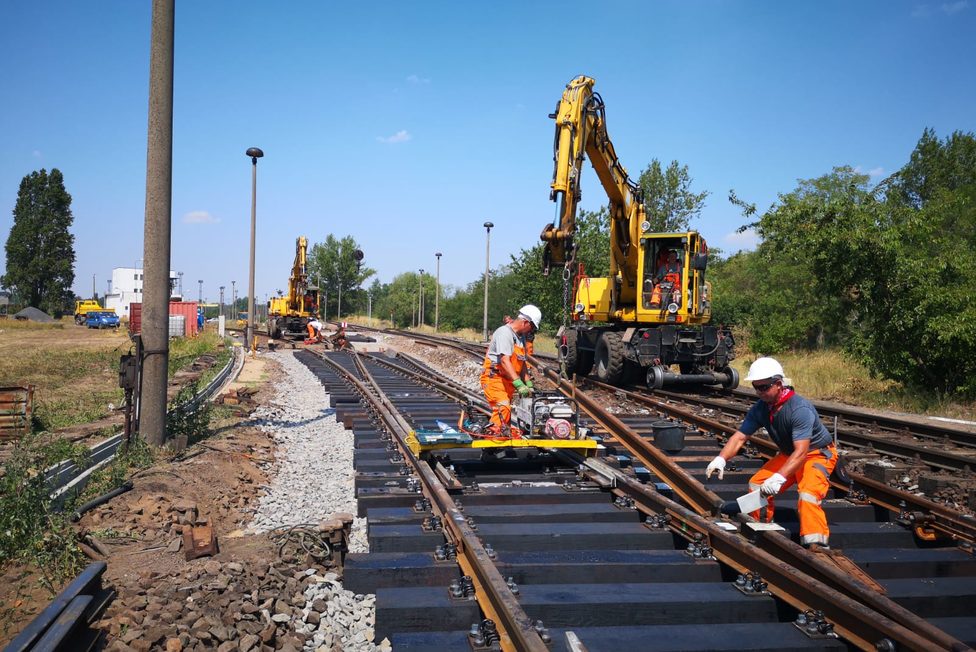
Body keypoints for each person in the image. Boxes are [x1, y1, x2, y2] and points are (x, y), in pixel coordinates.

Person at [705, 357, 837, 547]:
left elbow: (801, 452)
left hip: (816, 454)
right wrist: (721, 459)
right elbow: (740, 437)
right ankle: (761, 526)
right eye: (756, 388)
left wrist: (779, 477)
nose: (760, 392)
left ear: (778, 384)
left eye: (764, 387)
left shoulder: (799, 409)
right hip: (789, 454)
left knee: (808, 493)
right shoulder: (761, 409)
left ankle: (816, 543)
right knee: (757, 484)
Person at [479, 305, 541, 435]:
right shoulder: (504, 333)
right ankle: (492, 440)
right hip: (494, 378)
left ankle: (501, 442)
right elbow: (504, 360)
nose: (532, 331)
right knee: (503, 408)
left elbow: (522, 364)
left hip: (508, 381)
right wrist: (519, 384)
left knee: (505, 420)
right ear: (525, 322)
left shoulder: (521, 338)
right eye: (532, 327)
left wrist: (529, 384)